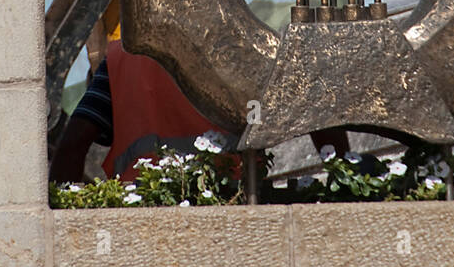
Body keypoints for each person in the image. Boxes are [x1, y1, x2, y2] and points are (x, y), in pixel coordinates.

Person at [51, 39, 350, 183]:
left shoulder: (121, 61)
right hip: (236, 210)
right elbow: (315, 107)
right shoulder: (244, 47)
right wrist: (345, 180)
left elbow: (72, 147)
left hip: (142, 219)